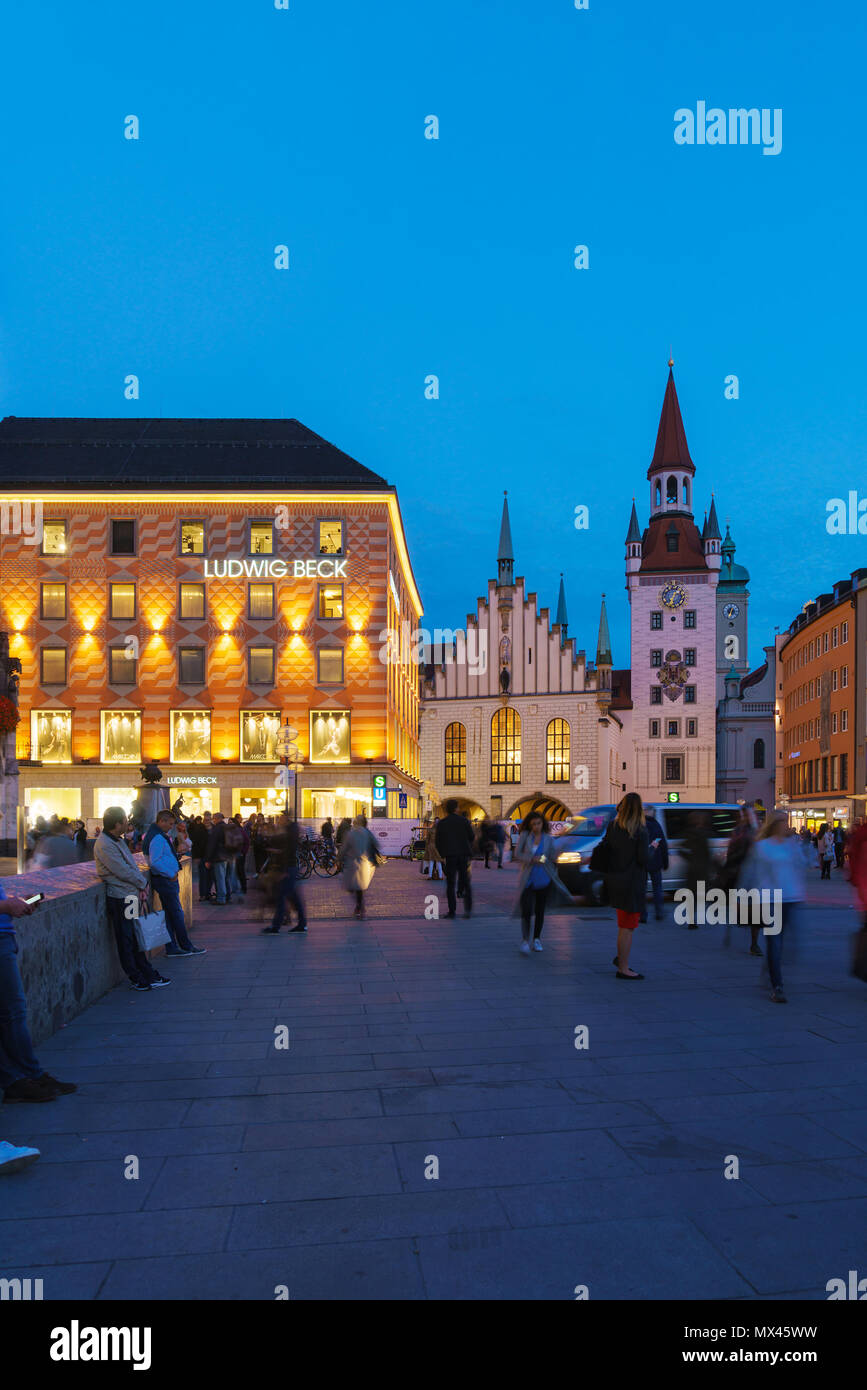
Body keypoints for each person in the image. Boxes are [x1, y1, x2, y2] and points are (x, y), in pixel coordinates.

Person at [0, 886, 78, 1101]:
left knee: (11, 1015)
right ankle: (19, 1079)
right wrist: (6, 906)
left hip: (5, 936)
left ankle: (27, 1076)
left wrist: (16, 904)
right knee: (13, 1014)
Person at [94, 808, 172, 992]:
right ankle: (136, 976)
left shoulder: (117, 840)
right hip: (121, 897)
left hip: (129, 895)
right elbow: (121, 869)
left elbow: (129, 866)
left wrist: (140, 886)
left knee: (134, 936)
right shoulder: (104, 844)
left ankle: (147, 973)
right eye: (124, 821)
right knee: (126, 937)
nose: (127, 823)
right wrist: (141, 883)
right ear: (117, 823)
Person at [741, 811, 805, 1003]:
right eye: (783, 822)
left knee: (782, 943)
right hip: (770, 899)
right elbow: (749, 872)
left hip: (791, 897)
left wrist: (801, 848)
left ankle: (769, 969)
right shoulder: (762, 847)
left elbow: (802, 864)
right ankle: (777, 986)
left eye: (787, 821)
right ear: (774, 824)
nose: (787, 825)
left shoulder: (791, 845)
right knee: (774, 941)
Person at [597, 792, 648, 979]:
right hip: (632, 883)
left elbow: (607, 848)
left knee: (623, 925)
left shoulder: (613, 827)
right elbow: (643, 859)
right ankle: (623, 968)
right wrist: (652, 849)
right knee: (628, 928)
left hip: (616, 880)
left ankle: (621, 959)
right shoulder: (640, 831)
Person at [144, 810, 205, 957]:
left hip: (165, 879)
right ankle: (185, 945)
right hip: (165, 880)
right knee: (176, 914)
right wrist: (171, 874)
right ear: (162, 821)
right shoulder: (157, 837)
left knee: (171, 915)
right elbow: (155, 862)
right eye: (170, 823)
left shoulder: (156, 835)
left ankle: (172, 947)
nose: (171, 827)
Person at [513, 811, 574, 953]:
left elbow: (553, 856)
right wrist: (531, 859)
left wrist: (559, 852)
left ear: (543, 823)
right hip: (527, 878)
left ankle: (537, 939)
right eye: (533, 824)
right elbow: (517, 854)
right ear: (529, 824)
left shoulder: (548, 839)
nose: (536, 826)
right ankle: (525, 940)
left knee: (540, 910)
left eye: (539, 823)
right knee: (526, 910)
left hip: (543, 878)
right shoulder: (525, 836)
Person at [719, 807, 762, 955]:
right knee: (745, 907)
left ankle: (754, 943)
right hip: (741, 872)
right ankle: (744, 930)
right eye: (747, 814)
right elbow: (732, 853)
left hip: (757, 875)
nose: (750, 817)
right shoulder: (738, 832)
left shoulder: (759, 830)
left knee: (756, 910)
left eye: (752, 814)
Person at [262, 814, 307, 934]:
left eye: (281, 818)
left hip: (287, 869)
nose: (279, 820)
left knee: (281, 897)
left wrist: (284, 870)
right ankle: (302, 923)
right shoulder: (289, 831)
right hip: (288, 868)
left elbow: (288, 852)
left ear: (286, 819)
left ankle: (276, 926)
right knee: (293, 897)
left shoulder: (290, 832)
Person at [435, 799, 475, 920]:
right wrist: (466, 846)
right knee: (466, 883)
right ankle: (467, 911)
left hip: (450, 856)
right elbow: (472, 836)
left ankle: (452, 911)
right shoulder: (464, 821)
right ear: (456, 808)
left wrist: (443, 854)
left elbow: (438, 841)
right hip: (463, 855)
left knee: (450, 884)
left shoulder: (442, 823)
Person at [340, 815, 382, 921]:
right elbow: (377, 844)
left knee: (353, 887)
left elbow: (344, 848)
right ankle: (360, 908)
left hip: (353, 864)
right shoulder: (367, 833)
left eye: (356, 820)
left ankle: (360, 908)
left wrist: (338, 858)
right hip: (366, 864)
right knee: (359, 887)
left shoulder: (351, 833)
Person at [681, 810, 713, 929]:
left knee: (692, 896)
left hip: (692, 870)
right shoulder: (703, 834)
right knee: (700, 895)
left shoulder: (689, 833)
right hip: (701, 870)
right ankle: (696, 919)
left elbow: (683, 849)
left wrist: (690, 859)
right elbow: (707, 854)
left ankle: (691, 921)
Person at [640, 805, 668, 923]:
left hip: (642, 862)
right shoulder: (656, 826)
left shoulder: (639, 826)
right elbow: (661, 844)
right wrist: (665, 862)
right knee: (657, 888)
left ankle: (643, 915)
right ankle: (659, 913)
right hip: (655, 862)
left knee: (642, 890)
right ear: (651, 813)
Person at [205, 813, 236, 905]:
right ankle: (228, 897)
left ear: (216, 819)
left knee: (220, 878)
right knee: (227, 878)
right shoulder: (229, 827)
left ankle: (221, 899)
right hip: (229, 856)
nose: (212, 821)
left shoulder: (217, 829)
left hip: (219, 857)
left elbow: (212, 844)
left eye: (213, 819)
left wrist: (208, 859)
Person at [188, 815, 211, 901]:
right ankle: (203, 894)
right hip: (202, 856)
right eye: (205, 820)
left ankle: (207, 893)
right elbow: (196, 843)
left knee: (209, 876)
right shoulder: (199, 829)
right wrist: (196, 856)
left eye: (208, 820)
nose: (206, 821)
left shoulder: (213, 829)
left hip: (210, 856)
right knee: (203, 875)